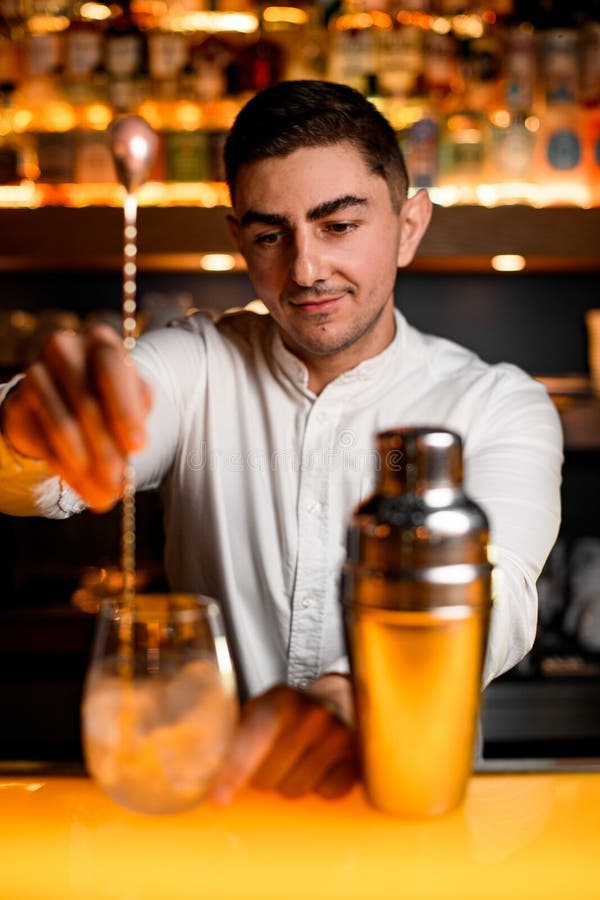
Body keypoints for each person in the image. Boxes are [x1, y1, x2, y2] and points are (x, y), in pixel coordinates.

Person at [0, 80, 562, 803]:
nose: (303, 269)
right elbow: (40, 478)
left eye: (339, 226)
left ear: (410, 224)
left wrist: (352, 697)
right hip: (215, 811)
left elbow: (499, 596)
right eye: (271, 234)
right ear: (239, 239)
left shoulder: (497, 404)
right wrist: (32, 426)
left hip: (407, 807)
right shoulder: (196, 364)